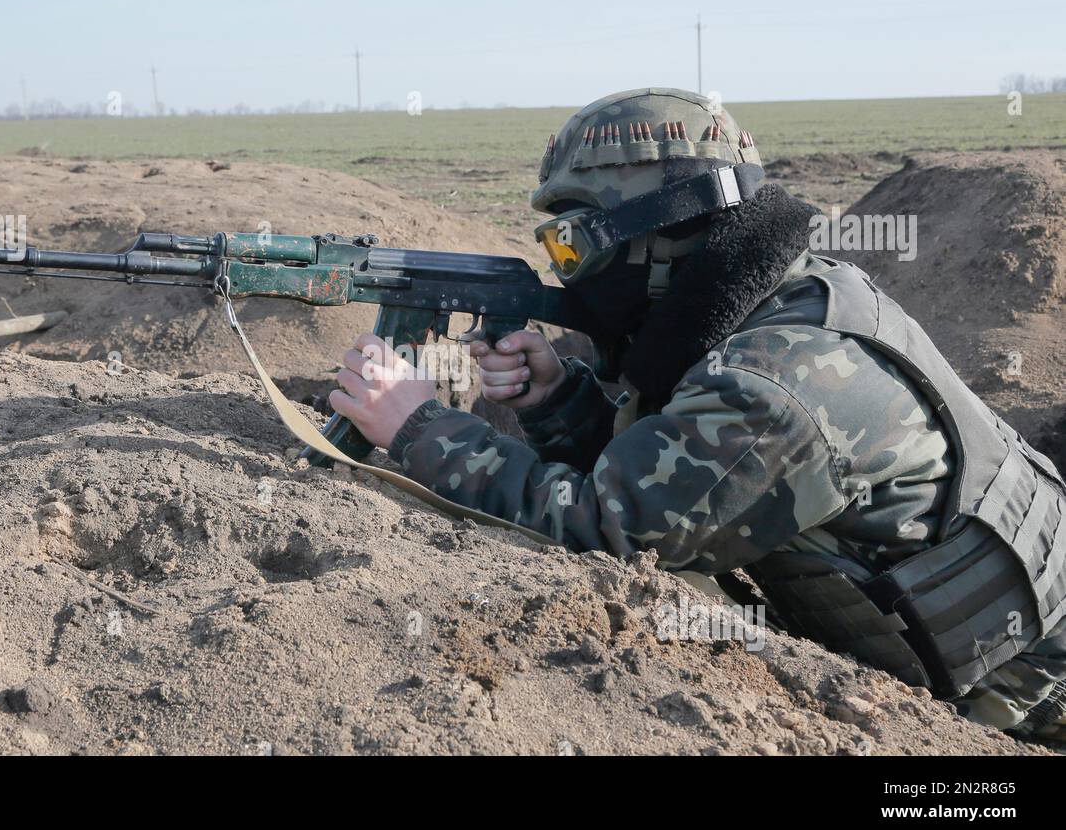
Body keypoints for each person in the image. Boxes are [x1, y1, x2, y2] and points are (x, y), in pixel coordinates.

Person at [327, 88, 1066, 740]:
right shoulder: (783, 294)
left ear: (666, 231)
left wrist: (421, 428)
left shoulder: (778, 383)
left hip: (1021, 696)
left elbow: (609, 531)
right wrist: (560, 400)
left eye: (574, 243)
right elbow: (680, 468)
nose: (564, 273)